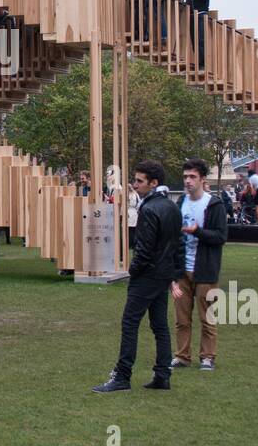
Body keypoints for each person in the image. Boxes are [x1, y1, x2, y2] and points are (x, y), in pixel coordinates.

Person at [94, 160, 180, 392]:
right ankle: (162, 374)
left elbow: (144, 248)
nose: (135, 184)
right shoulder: (172, 207)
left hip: (147, 275)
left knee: (130, 324)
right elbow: (176, 245)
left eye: (140, 181)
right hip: (162, 274)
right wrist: (172, 274)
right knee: (160, 325)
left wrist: (134, 270)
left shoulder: (150, 208)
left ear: (154, 183)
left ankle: (122, 376)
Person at [170, 158, 228, 372]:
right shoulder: (180, 204)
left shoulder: (214, 204)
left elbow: (221, 236)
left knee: (207, 318)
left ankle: (207, 356)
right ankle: (182, 356)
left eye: (192, 176)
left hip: (205, 270)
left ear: (203, 179)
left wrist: (198, 232)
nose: (188, 181)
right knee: (182, 319)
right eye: (185, 177)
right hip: (182, 270)